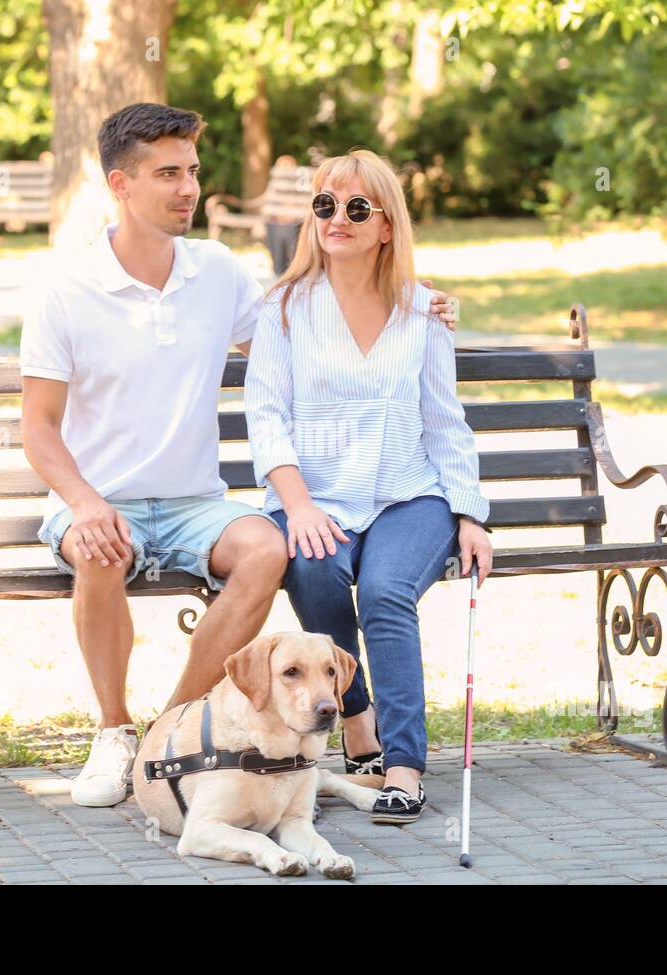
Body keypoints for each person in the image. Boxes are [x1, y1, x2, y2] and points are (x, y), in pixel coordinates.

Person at [19, 105, 459, 808]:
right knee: (101, 546)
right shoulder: (66, 288)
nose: (189, 187)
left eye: (192, 170)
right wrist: (85, 501)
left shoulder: (218, 272)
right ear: (121, 184)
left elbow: (305, 348)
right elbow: (38, 428)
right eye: (169, 173)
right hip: (101, 501)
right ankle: (113, 731)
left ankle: (171, 727)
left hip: (195, 501)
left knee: (267, 547)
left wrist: (414, 307)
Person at [244, 148, 494, 825]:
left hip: (408, 496)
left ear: (387, 225)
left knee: (384, 592)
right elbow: (265, 417)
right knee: (319, 575)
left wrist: (471, 513)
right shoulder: (284, 309)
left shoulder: (422, 311)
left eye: (357, 207)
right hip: (315, 498)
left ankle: (403, 765)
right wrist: (296, 504)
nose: (338, 218)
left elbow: (446, 423)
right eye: (325, 204)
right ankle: (357, 721)